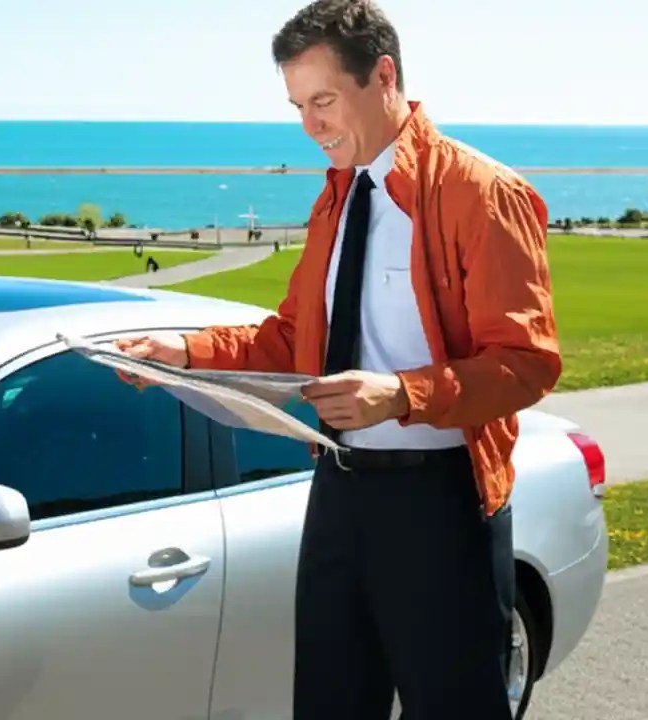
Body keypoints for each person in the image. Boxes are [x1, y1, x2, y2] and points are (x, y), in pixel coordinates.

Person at [114, 1, 561, 718]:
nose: (309, 126)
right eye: (297, 105)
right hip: (338, 494)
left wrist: (401, 394)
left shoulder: (480, 194)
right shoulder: (337, 198)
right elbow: (296, 342)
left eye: (323, 100)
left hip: (439, 504)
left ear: (383, 77)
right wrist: (186, 351)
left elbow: (527, 362)